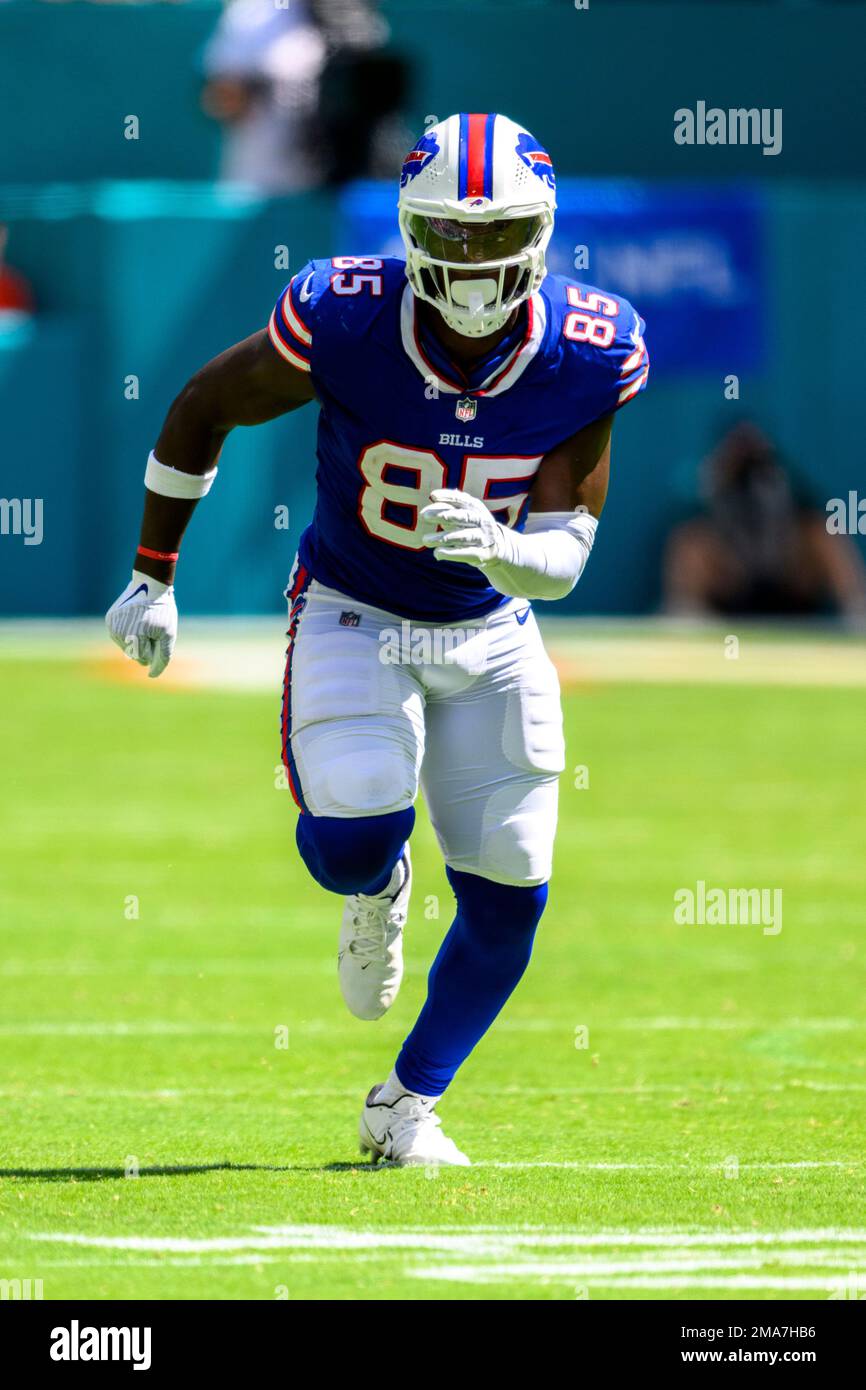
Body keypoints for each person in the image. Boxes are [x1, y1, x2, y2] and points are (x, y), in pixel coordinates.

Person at [106, 113, 649, 1166]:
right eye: (447, 237)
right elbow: (202, 404)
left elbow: (564, 554)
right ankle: (378, 889)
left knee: (512, 884)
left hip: (490, 627)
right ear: (407, 232)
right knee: (355, 832)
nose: (474, 264)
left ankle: (405, 1104)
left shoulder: (588, 349)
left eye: (494, 239)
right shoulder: (345, 317)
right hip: (354, 604)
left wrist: (498, 546)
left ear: (540, 234)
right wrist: (151, 573)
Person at [664, 420, 866, 622]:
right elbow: (680, 607)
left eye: (758, 466)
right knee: (690, 549)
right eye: (739, 469)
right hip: (725, 635)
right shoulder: (698, 539)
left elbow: (856, 597)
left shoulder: (812, 532)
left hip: (797, 627)